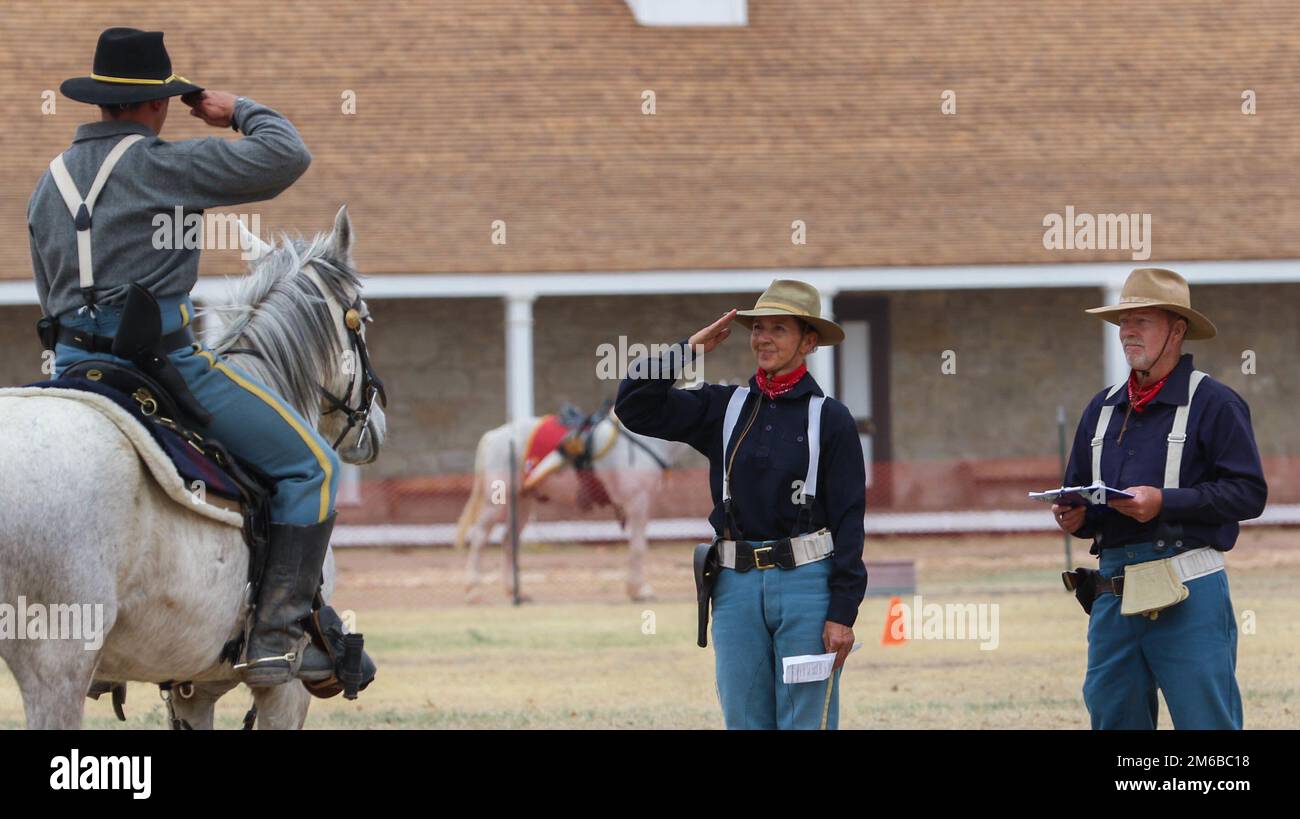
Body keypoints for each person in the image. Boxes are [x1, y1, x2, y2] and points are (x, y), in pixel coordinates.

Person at [27, 27, 357, 687]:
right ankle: (275, 636)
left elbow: (49, 285)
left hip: (68, 371)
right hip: (162, 368)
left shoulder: (47, 184)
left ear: (100, 102)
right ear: (156, 103)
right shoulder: (164, 165)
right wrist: (237, 110)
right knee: (313, 466)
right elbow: (287, 156)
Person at [616, 279, 867, 729]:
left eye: (779, 329)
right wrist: (688, 349)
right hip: (734, 586)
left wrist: (842, 613)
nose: (764, 338)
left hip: (808, 585)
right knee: (744, 721)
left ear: (808, 341)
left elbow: (850, 520)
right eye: (758, 329)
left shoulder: (830, 417)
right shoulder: (723, 407)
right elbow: (634, 405)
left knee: (805, 722)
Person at [1055, 267, 1267, 729]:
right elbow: (1083, 493)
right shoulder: (1101, 407)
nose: (1127, 332)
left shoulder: (1216, 403)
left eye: (1142, 321)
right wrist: (1077, 519)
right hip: (1112, 593)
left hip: (1188, 588)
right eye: (1123, 323)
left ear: (1177, 330)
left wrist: (1165, 502)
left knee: (1205, 725)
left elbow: (1249, 494)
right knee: (1113, 719)